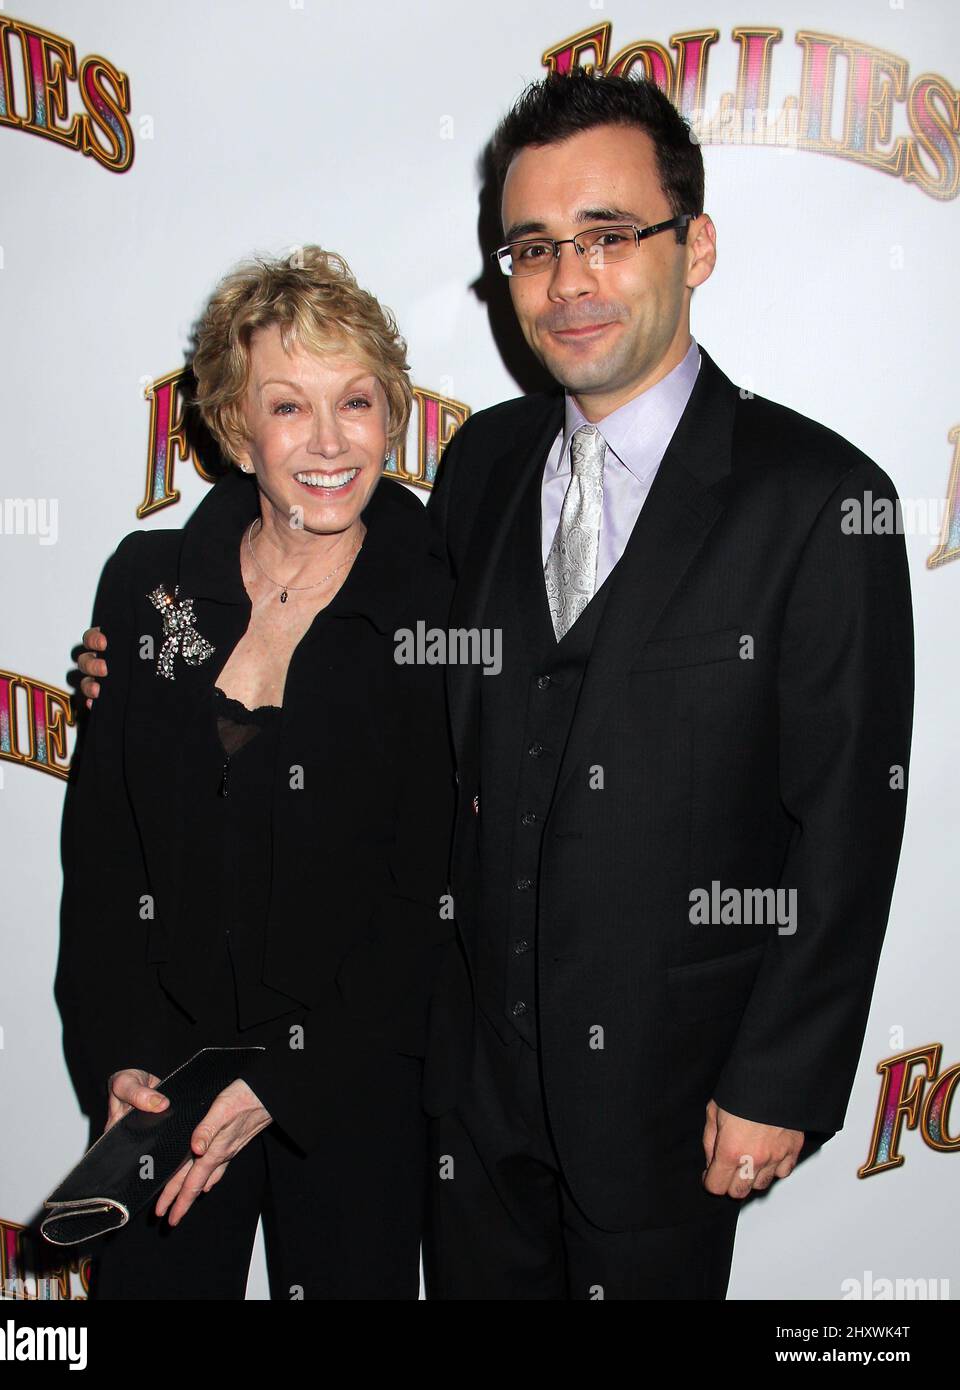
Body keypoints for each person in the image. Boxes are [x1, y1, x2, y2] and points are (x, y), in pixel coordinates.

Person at [417, 71, 914, 1299]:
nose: (568, 281)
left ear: (693, 247)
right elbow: (389, 659)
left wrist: (778, 1076)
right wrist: (187, 628)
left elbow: (848, 818)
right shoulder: (479, 462)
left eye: (606, 236)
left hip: (672, 1092)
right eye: (533, 248)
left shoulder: (817, 497)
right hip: (474, 1097)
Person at [57, 245, 457, 1299]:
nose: (329, 442)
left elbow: (431, 894)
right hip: (169, 1079)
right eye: (289, 406)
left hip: (354, 1083)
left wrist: (287, 1076)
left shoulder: (439, 610)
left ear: (393, 415)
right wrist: (119, 1058)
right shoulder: (155, 591)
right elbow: (104, 860)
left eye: (356, 402)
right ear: (237, 425)